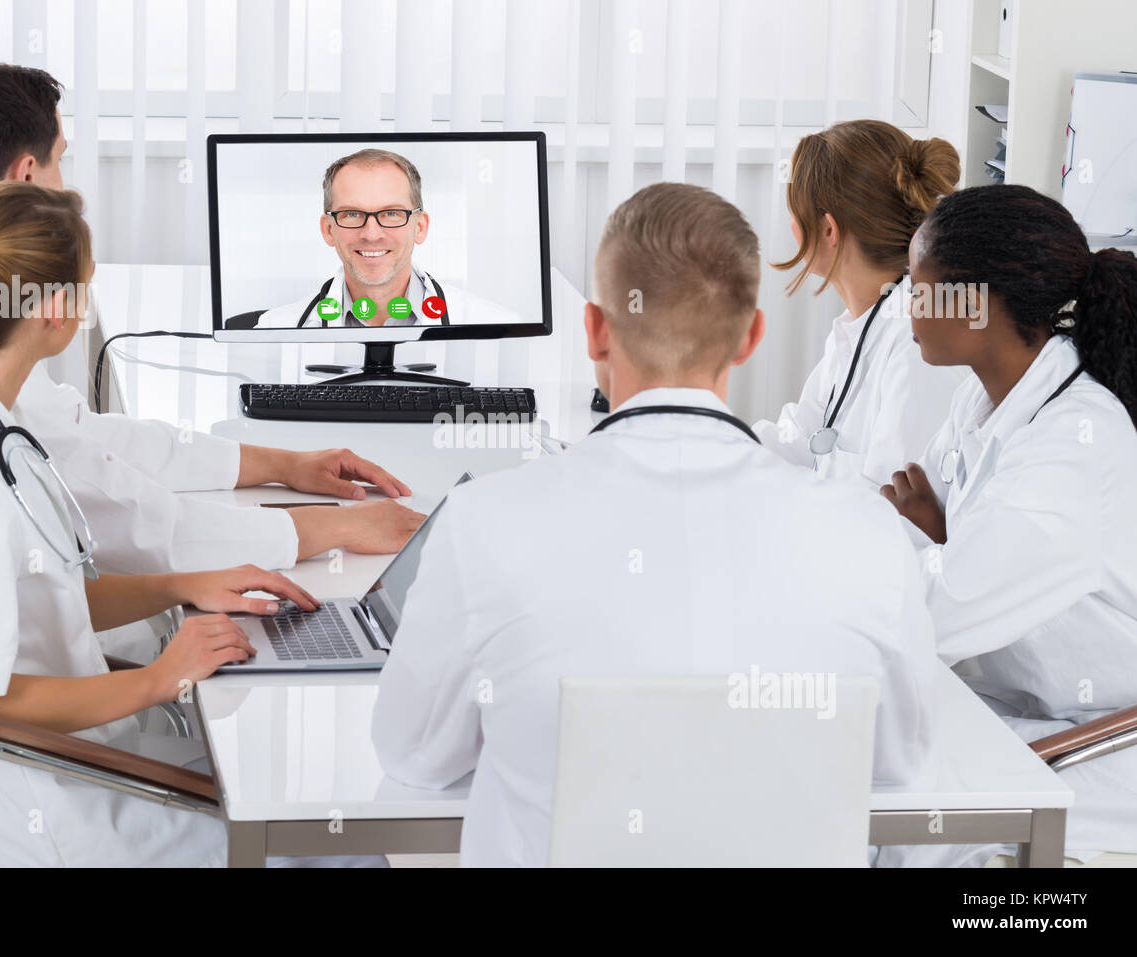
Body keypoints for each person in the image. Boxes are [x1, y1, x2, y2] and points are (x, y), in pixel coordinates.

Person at [371, 182, 938, 867]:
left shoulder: (481, 524)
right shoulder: (869, 536)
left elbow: (414, 757)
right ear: (752, 335)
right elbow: (898, 760)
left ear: (594, 330)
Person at [0, 181, 386, 867]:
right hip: (34, 809)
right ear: (54, 311)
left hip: (68, 751)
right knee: (335, 845)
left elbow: (40, 594)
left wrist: (183, 584)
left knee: (289, 776)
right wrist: (160, 677)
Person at [0, 60, 423, 579]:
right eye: (60, 161)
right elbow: (127, 522)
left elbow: (79, 439)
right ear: (24, 178)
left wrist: (282, 465)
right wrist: (333, 530)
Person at [878, 184, 1137, 867]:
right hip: (1011, 703)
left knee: (917, 843)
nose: (906, 304)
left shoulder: (1073, 446)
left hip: (1103, 737)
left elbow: (934, 609)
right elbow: (906, 525)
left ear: (977, 305)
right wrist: (940, 541)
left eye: (917, 287)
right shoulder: (983, 396)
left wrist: (939, 540)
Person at [752, 120, 969, 490]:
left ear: (828, 230)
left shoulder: (919, 347)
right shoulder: (859, 327)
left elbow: (889, 513)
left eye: (795, 212)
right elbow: (800, 438)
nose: (790, 225)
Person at [239, 148, 523, 329]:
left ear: (420, 227)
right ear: (328, 230)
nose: (371, 234)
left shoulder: (496, 327)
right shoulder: (274, 329)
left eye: (391, 213)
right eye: (351, 214)